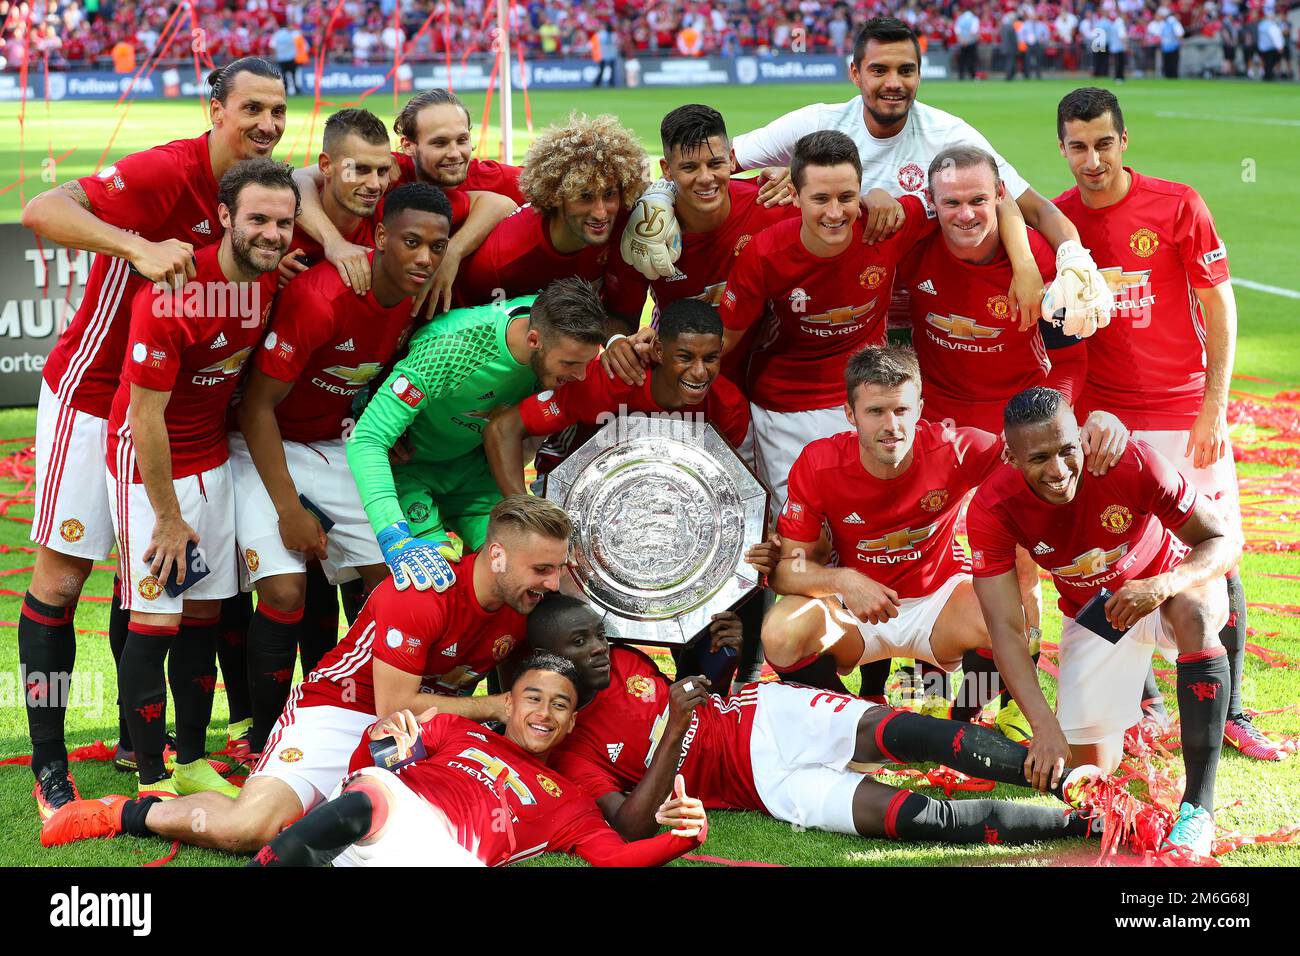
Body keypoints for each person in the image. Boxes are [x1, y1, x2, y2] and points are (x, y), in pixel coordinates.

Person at [19, 56, 287, 820]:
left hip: (174, 418)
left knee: (147, 587)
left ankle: (146, 748)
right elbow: (42, 209)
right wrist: (134, 247)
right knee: (62, 581)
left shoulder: (265, 195)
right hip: (95, 398)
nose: (266, 124)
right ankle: (49, 761)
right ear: (215, 110)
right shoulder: (166, 173)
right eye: (251, 109)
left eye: (278, 110)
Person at [40, 496, 573, 854]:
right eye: (542, 570)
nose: (552, 585)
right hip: (341, 713)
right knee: (253, 828)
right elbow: (394, 709)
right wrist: (498, 708)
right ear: (497, 556)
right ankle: (121, 813)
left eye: (557, 570)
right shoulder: (421, 594)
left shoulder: (524, 605)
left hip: (428, 733)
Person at [525, 594, 1171, 852]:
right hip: (770, 789)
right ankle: (1084, 822)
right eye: (581, 646)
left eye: (595, 636)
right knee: (924, 821)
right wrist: (672, 732)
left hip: (770, 717)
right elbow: (633, 826)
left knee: (916, 736)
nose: (598, 649)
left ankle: (1083, 789)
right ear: (551, 665)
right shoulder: (572, 755)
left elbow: (700, 667)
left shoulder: (623, 656)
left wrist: (723, 647)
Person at [1052, 88, 1279, 760]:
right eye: (1077, 146)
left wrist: (1213, 406)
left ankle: (1232, 708)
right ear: (1062, 148)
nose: (1091, 159)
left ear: (1125, 142)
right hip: (1105, 422)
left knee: (1216, 548)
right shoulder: (1058, 224)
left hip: (1184, 414)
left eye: (1103, 143)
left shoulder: (1177, 204)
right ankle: (1144, 702)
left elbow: (1219, 307)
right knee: (1114, 552)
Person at [759, 346, 1127, 716]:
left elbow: (1038, 447)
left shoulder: (955, 448)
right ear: (850, 414)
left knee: (1004, 619)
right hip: (854, 612)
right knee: (780, 631)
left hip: (939, 604)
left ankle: (962, 717)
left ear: (920, 408)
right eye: (875, 412)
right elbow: (789, 570)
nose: (891, 426)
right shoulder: (818, 462)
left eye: (901, 410)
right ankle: (852, 716)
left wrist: (1094, 425)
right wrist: (845, 581)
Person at [968, 387, 1241, 856]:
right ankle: (1132, 711)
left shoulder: (1129, 460)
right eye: (1039, 458)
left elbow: (1222, 540)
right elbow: (1006, 631)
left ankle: (1198, 808)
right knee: (1088, 774)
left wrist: (1164, 584)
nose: (1058, 470)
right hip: (1096, 618)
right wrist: (1044, 726)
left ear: (1082, 437)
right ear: (1010, 455)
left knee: (1193, 614)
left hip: (1165, 588)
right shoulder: (992, 509)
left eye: (1067, 449)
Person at [233, 182, 454, 756]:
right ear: (380, 238)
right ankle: (262, 739)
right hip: (263, 440)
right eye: (411, 242)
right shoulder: (321, 298)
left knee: (398, 580)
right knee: (284, 590)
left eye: (438, 247)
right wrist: (288, 510)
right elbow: (256, 407)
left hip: (334, 442)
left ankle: (369, 719)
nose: (425, 259)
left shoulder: (418, 295)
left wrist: (385, 429)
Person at [105, 158, 297, 799]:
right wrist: (165, 515)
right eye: (259, 220)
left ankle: (190, 759)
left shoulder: (267, 282)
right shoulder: (172, 294)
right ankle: (152, 775)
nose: (273, 234)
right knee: (155, 618)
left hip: (213, 455)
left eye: (284, 222)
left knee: (203, 613)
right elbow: (144, 416)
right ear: (223, 219)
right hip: (150, 469)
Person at [719, 130, 1034, 510]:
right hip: (786, 409)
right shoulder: (766, 253)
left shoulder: (886, 225)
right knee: (799, 526)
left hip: (868, 398)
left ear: (861, 191)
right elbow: (725, 343)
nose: (835, 213)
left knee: (877, 517)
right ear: (795, 195)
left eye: (846, 197)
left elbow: (985, 195)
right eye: (820, 198)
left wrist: (1026, 263)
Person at [896, 144, 1088, 733]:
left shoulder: (1032, 258)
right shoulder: (914, 254)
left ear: (999, 199)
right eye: (951, 202)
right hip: (942, 435)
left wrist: (1041, 433)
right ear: (933, 202)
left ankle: (1007, 702)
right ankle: (925, 698)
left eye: (980, 200)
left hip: (1013, 440)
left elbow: (1074, 358)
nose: (966, 214)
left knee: (1018, 571)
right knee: (922, 565)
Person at [244, 654, 709, 866]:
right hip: (377, 817)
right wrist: (387, 747)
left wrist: (686, 839)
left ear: (570, 724)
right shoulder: (453, 728)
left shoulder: (573, 802)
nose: (543, 713)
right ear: (508, 704)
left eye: (559, 705)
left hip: (442, 854)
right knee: (371, 793)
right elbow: (369, 758)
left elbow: (615, 858)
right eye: (532, 697)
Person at [345, 278, 606, 565]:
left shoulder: (556, 325)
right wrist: (393, 535)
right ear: (534, 340)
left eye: (586, 362)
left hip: (474, 472)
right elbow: (367, 438)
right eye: (570, 364)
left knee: (523, 567)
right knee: (436, 582)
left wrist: (622, 346)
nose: (581, 376)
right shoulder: (449, 349)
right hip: (410, 471)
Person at [483, 299, 750, 495]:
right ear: (658, 351)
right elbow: (503, 428)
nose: (700, 372)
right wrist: (523, 511)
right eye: (685, 357)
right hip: (571, 485)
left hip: (659, 501)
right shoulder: (611, 381)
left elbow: (726, 486)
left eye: (711, 358)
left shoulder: (729, 406)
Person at [291, 90, 518, 306]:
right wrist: (335, 243)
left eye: (462, 140)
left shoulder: (487, 177)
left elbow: (503, 202)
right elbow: (298, 178)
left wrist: (452, 253)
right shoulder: (390, 169)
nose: (455, 153)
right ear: (408, 146)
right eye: (439, 142)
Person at [452, 112, 648, 315]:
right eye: (585, 197)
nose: (600, 213)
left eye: (609, 194)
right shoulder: (501, 261)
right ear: (556, 196)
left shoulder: (626, 217)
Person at [954, 5, 981, 80]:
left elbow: (957, 31)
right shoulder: (974, 19)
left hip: (962, 43)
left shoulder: (960, 18)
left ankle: (961, 76)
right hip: (971, 43)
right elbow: (974, 31)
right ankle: (972, 76)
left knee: (962, 60)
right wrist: (967, 41)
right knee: (972, 60)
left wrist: (962, 40)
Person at [1159, 8, 1185, 78]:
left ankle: (1169, 76)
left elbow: (1179, 33)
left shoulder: (1168, 22)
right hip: (1170, 46)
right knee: (1171, 64)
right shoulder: (1171, 22)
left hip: (1168, 46)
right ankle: (1172, 76)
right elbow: (1180, 33)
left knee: (1168, 63)